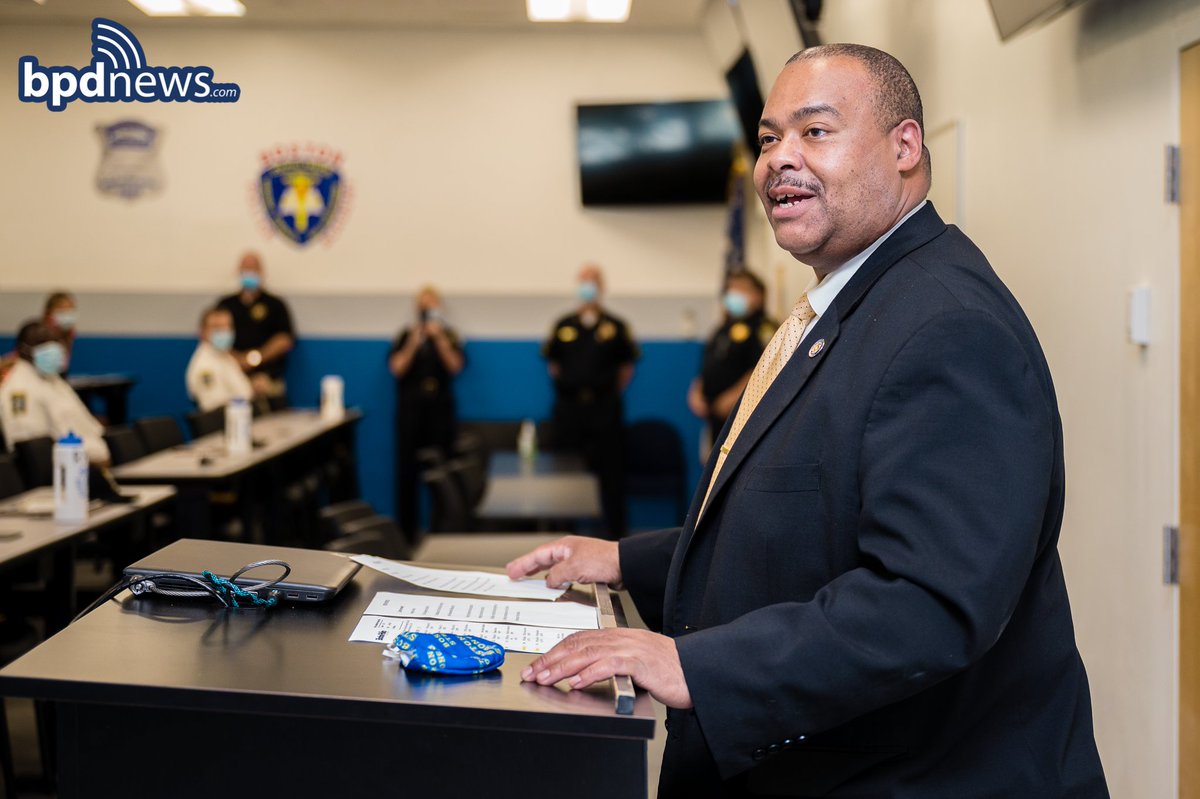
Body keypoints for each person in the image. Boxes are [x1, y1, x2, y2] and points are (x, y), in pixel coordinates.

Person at [508, 44, 1107, 797]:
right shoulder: (850, 304)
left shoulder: (948, 326)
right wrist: (626, 562)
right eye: (767, 138)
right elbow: (797, 524)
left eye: (814, 132)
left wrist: (693, 664)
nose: (778, 160)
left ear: (905, 147)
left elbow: (927, 602)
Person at [542, 264, 639, 538]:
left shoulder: (617, 326)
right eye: (583, 280)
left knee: (611, 480)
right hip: (569, 412)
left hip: (605, 411)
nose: (587, 286)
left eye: (592, 281)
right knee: (565, 477)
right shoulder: (563, 325)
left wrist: (604, 392)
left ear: (602, 286)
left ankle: (615, 541)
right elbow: (554, 365)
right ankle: (563, 538)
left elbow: (626, 368)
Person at [388, 287, 465, 537]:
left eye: (431, 306)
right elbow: (397, 368)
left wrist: (439, 338)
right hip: (410, 412)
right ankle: (407, 534)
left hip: (440, 413)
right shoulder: (405, 335)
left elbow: (455, 366)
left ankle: (442, 531)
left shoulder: (449, 335)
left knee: (443, 475)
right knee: (407, 475)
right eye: (423, 306)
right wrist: (414, 341)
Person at [0, 320, 109, 465]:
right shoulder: (18, 390)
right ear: (23, 349)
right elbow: (31, 449)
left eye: (54, 342)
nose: (54, 349)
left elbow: (87, 424)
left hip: (92, 465)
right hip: (64, 473)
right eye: (43, 343)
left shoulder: (53, 379)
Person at [687, 269, 776, 446]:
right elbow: (709, 364)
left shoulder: (765, 329)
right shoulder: (723, 328)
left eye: (742, 289)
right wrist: (697, 391)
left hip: (744, 417)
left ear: (759, 295)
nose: (735, 294)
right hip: (715, 417)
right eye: (731, 289)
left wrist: (735, 398)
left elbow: (766, 368)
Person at [215, 252, 295, 410]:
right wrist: (238, 360)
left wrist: (254, 359)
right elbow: (215, 336)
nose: (249, 272)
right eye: (246, 267)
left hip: (268, 380)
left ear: (261, 271)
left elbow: (285, 339)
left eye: (253, 268)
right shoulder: (226, 304)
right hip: (232, 379)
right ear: (238, 271)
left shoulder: (275, 304)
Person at [186, 306, 255, 412]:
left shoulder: (226, 358)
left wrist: (254, 387)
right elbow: (214, 407)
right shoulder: (204, 365)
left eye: (228, 326)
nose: (225, 332)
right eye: (217, 328)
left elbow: (244, 392)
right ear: (203, 332)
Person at [43, 290, 78, 367]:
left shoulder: (68, 331)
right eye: (62, 309)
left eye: (70, 309)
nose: (67, 313)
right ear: (50, 311)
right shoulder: (40, 330)